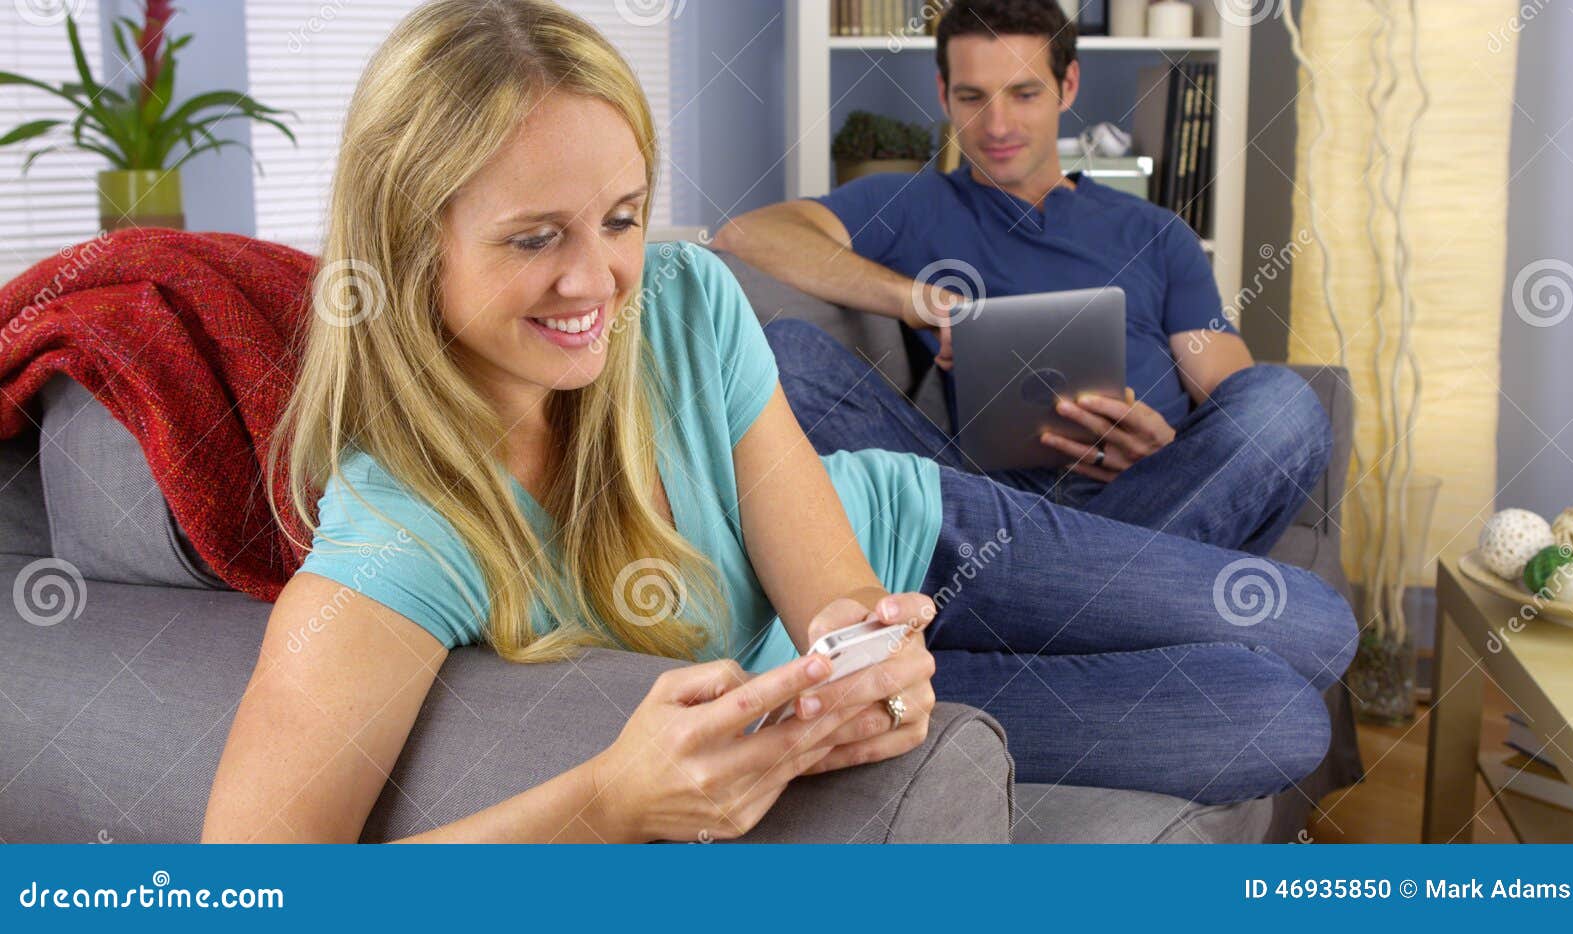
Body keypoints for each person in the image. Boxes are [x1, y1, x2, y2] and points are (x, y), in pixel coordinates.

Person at [204, 0, 1354, 844]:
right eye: (532, 237)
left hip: (918, 522)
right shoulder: (398, 536)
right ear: (411, 241)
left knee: (1306, 619)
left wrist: (872, 640)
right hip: (811, 702)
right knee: (1267, 713)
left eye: (617, 217)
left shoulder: (684, 299)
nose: (599, 279)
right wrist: (606, 799)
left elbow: (833, 584)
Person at [713, 0, 1332, 557]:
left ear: (1068, 85)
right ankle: (1107, 587)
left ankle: (1043, 586)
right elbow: (748, 234)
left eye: (1024, 94)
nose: (998, 125)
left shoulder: (1156, 233)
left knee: (1284, 403)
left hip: (1150, 490)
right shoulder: (910, 203)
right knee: (789, 353)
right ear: (943, 92)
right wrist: (914, 300)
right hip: (982, 504)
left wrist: (1169, 449)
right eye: (973, 97)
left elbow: (1234, 394)